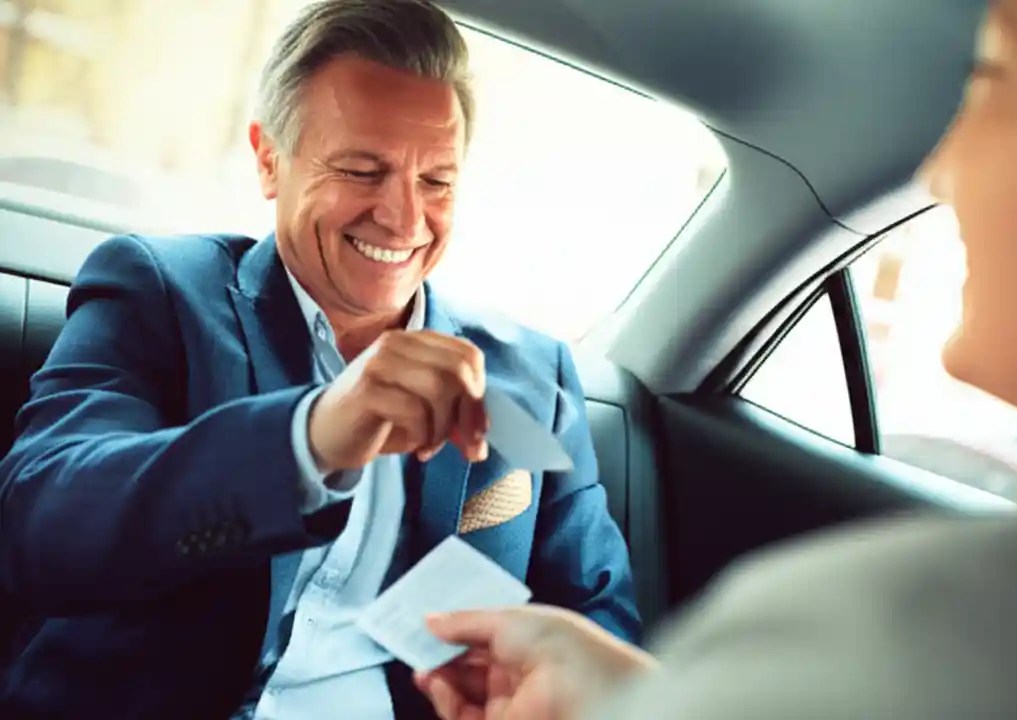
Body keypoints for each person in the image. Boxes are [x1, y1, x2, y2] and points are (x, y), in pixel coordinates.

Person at [415, 0, 1017, 717]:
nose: (942, 169)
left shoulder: (897, 645)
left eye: (996, 84)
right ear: (274, 160)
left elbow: (589, 572)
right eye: (361, 169)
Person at [0, 1, 638, 717]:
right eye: (363, 171)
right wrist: (307, 439)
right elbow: (40, 519)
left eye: (437, 181)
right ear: (270, 159)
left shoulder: (531, 379)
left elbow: (594, 622)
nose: (403, 218)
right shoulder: (160, 291)